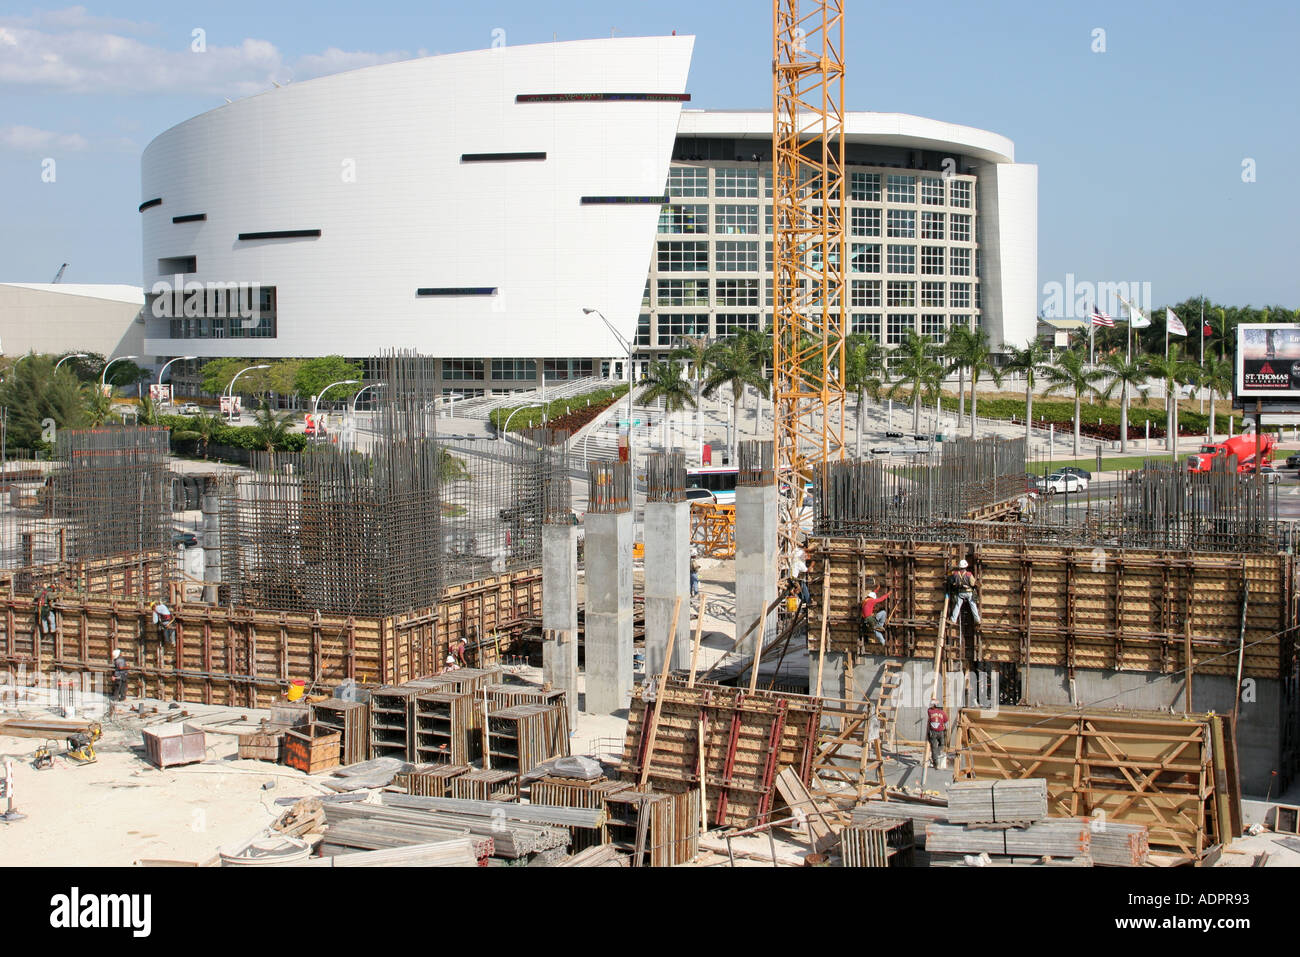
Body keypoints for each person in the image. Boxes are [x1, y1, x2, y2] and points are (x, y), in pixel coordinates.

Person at [947, 559, 981, 626]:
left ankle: (953, 620)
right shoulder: (969, 574)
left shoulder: (955, 574)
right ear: (966, 567)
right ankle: (977, 620)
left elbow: (950, 580)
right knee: (973, 605)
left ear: (960, 567)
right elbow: (973, 584)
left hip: (960, 593)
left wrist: (950, 571)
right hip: (969, 593)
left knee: (957, 606)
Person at [927, 698, 948, 769]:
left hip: (933, 732)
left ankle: (935, 762)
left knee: (934, 748)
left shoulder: (929, 711)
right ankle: (936, 758)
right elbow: (946, 721)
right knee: (941, 745)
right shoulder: (942, 712)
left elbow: (930, 710)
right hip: (940, 731)